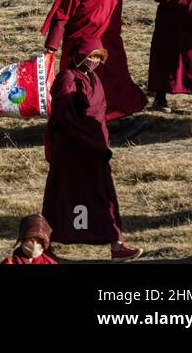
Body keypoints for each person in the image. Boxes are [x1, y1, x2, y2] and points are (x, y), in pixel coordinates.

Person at [41, 34, 143, 260]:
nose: (95, 60)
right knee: (65, 197)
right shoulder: (68, 78)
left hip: (95, 148)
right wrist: (88, 141)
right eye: (91, 56)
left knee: (102, 196)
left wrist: (100, 143)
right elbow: (64, 116)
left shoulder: (94, 79)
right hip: (73, 150)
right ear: (79, 56)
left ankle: (116, 244)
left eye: (98, 57)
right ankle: (43, 245)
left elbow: (98, 117)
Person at [42, 0, 148, 120]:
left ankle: (120, 114)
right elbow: (63, 7)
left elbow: (116, 5)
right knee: (81, 80)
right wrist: (52, 43)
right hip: (83, 38)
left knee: (116, 75)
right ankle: (79, 118)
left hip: (109, 37)